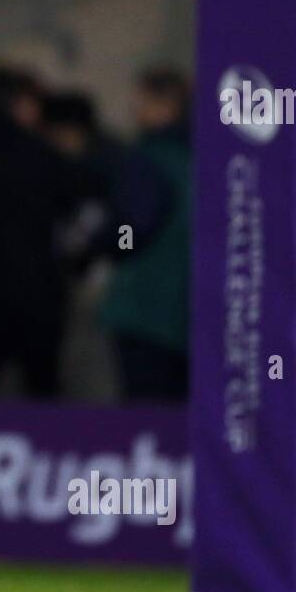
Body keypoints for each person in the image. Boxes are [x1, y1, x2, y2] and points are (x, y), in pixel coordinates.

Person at [0, 66, 87, 398]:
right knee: (41, 388)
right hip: (39, 294)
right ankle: (44, 449)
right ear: (19, 104)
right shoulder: (44, 155)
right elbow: (80, 213)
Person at [99, 68, 193, 402]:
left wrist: (105, 244)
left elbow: (132, 226)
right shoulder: (201, 157)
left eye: (142, 100)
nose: (135, 109)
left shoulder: (150, 157)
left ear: (165, 104)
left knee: (142, 406)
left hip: (144, 307)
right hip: (186, 312)